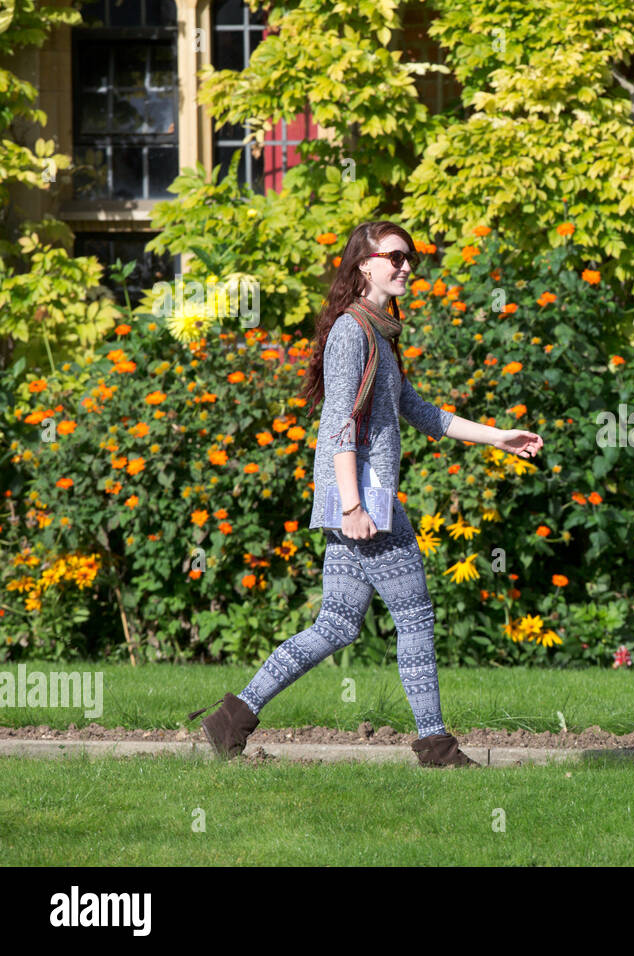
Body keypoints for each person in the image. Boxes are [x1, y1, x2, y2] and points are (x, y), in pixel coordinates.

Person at [187, 220, 544, 768]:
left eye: (410, 259)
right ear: (364, 264)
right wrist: (353, 506)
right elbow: (336, 426)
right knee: (416, 617)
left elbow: (420, 411)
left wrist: (500, 437)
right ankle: (436, 748)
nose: (406, 266)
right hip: (364, 501)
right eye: (395, 257)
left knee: (336, 625)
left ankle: (230, 721)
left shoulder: (380, 330)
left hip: (358, 498)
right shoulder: (353, 332)